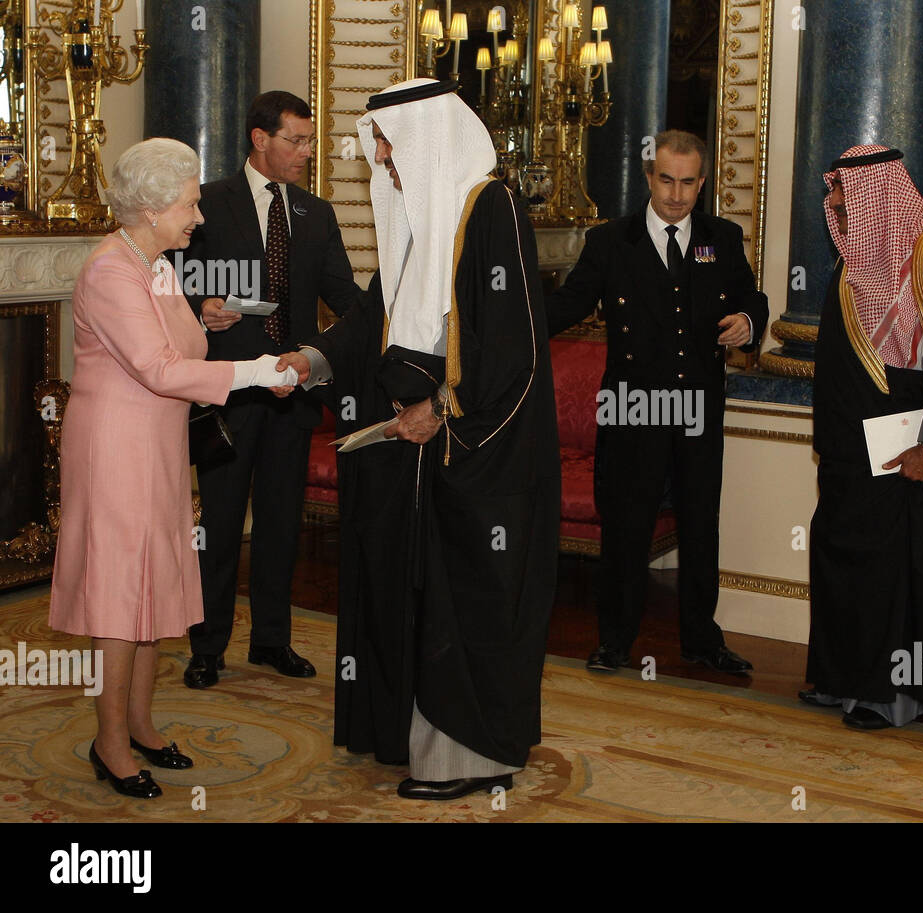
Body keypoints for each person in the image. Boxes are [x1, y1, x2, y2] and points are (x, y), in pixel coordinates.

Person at [277, 78, 559, 801]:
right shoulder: (422, 223)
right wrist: (311, 360)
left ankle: (472, 756)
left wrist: (442, 408)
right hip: (417, 455)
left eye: (394, 151)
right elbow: (377, 315)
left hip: (477, 453)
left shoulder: (489, 209)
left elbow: (514, 349)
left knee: (465, 601)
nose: (388, 168)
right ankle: (411, 737)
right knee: (412, 595)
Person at [48, 138, 298, 798]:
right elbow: (158, 369)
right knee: (120, 594)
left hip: (159, 443)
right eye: (189, 204)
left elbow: (177, 345)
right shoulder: (110, 269)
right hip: (116, 448)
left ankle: (140, 723)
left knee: (156, 582)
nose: (198, 216)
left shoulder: (155, 263)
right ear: (154, 205)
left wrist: (209, 319)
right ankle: (109, 742)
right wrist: (256, 371)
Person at [546, 129, 768, 677]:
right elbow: (569, 304)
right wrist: (506, 317)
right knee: (626, 528)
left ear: (702, 181)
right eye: (666, 180)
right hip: (632, 407)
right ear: (649, 177)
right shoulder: (610, 241)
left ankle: (701, 640)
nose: (676, 194)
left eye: (688, 182)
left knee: (700, 525)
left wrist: (749, 321)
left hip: (696, 407)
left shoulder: (721, 237)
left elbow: (751, 298)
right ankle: (613, 642)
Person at [801, 145, 923, 730]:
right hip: (852, 459)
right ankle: (844, 680)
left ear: (874, 196)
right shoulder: (847, 274)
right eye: (832, 192)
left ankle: (893, 698)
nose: (832, 203)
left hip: (913, 453)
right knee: (845, 562)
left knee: (901, 573)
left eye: (841, 193)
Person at [181, 91, 360, 690]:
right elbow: (168, 285)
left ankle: (272, 641)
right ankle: (206, 646)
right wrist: (200, 307)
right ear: (261, 140)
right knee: (222, 524)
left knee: (282, 522)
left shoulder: (316, 213)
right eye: (297, 141)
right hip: (229, 391)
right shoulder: (205, 204)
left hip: (293, 390)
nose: (308, 152)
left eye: (310, 141)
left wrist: (394, 319)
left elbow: (347, 300)